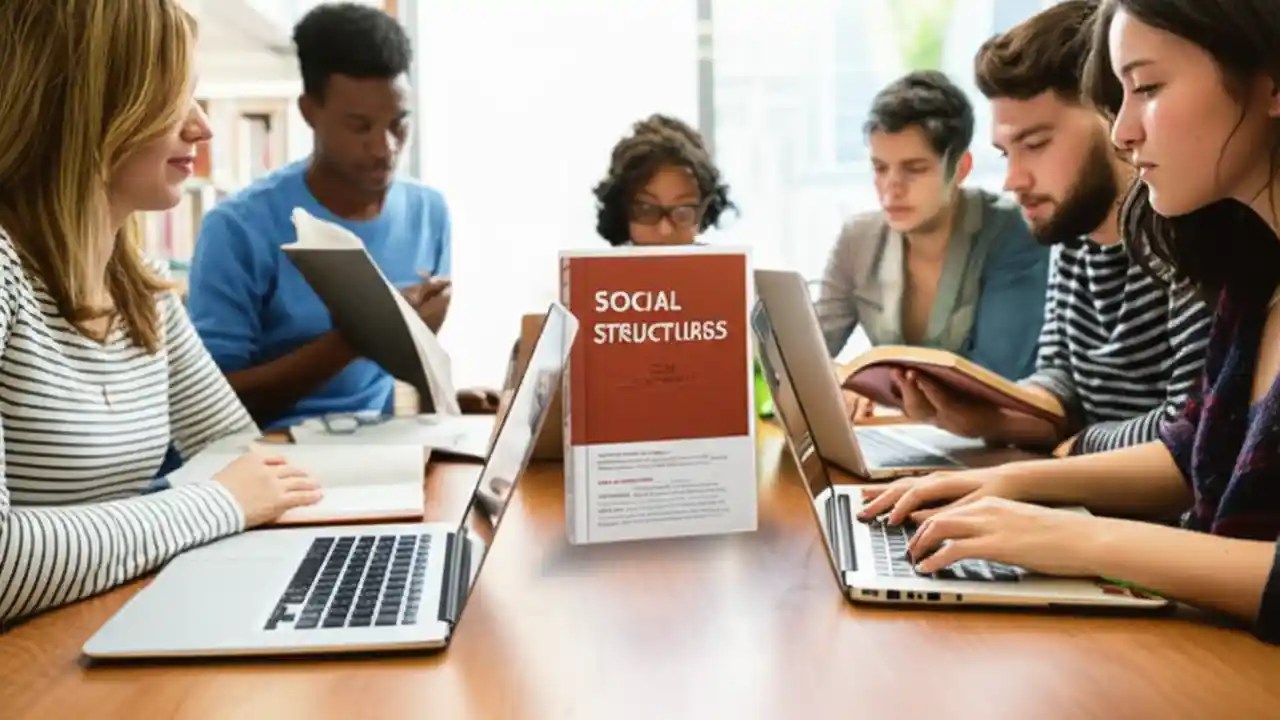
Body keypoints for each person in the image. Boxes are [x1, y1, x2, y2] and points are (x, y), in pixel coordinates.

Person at [861, 0, 1280, 643]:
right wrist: (1001, 479)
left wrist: (1076, 534)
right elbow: (1190, 453)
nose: (1123, 133)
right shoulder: (1249, 276)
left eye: (1147, 88)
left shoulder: (1216, 258)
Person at [0, 0, 320, 626]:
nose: (201, 126)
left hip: (103, 626)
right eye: (174, 96)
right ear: (88, 107)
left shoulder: (142, 298)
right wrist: (217, 505)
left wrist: (237, 495)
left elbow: (244, 461)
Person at [891, 0, 1212, 456]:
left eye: (1036, 144)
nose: (1013, 181)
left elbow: (1191, 433)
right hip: (1090, 493)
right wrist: (986, 416)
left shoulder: (1185, 235)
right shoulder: (1073, 236)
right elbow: (1062, 384)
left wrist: (1076, 447)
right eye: (1006, 153)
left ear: (1111, 114)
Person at [186, 2, 470, 430]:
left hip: (373, 446)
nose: (385, 148)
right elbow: (212, 409)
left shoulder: (428, 212)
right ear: (308, 112)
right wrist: (356, 337)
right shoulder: (237, 228)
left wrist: (452, 404)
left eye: (399, 123)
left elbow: (403, 371)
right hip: (267, 456)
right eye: (360, 126)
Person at [816, 71, 1049, 386]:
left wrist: (868, 388)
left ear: (961, 168)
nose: (891, 189)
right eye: (880, 168)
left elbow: (993, 377)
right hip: (901, 431)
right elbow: (808, 356)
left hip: (997, 432)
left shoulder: (1013, 233)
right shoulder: (858, 239)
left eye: (914, 169)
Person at [592, 114, 735, 247]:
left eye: (683, 212)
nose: (665, 230)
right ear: (621, 212)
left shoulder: (732, 273)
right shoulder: (586, 273)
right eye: (646, 210)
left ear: (704, 212)